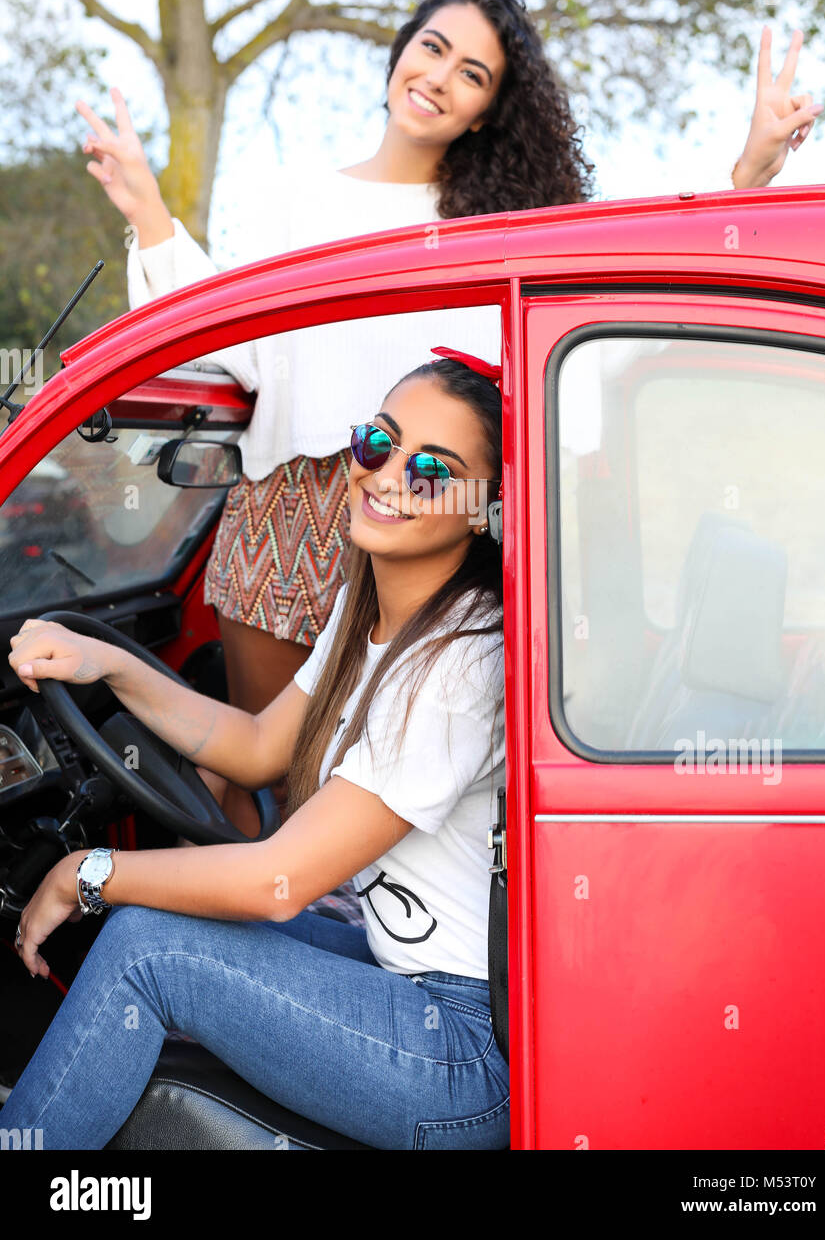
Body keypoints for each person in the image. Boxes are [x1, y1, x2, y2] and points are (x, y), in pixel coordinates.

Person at [75, 0, 820, 852]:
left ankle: (338, 959)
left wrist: (745, 176)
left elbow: (617, 291)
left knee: (362, 800)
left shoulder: (501, 229)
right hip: (285, 523)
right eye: (432, 47)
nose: (439, 76)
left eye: (473, 73)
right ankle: (237, 943)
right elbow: (223, 346)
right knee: (259, 773)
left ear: (485, 112)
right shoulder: (299, 200)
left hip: (426, 518)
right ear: (400, 53)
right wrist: (150, 214)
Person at [1, 353, 509, 1151]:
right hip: (403, 980)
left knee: (144, 945)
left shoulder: (460, 660)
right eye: (379, 442)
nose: (388, 477)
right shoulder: (371, 602)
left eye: (433, 471)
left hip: (457, 1047)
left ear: (483, 508)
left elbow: (279, 882)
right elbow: (259, 745)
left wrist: (83, 873)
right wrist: (111, 663)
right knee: (150, 910)